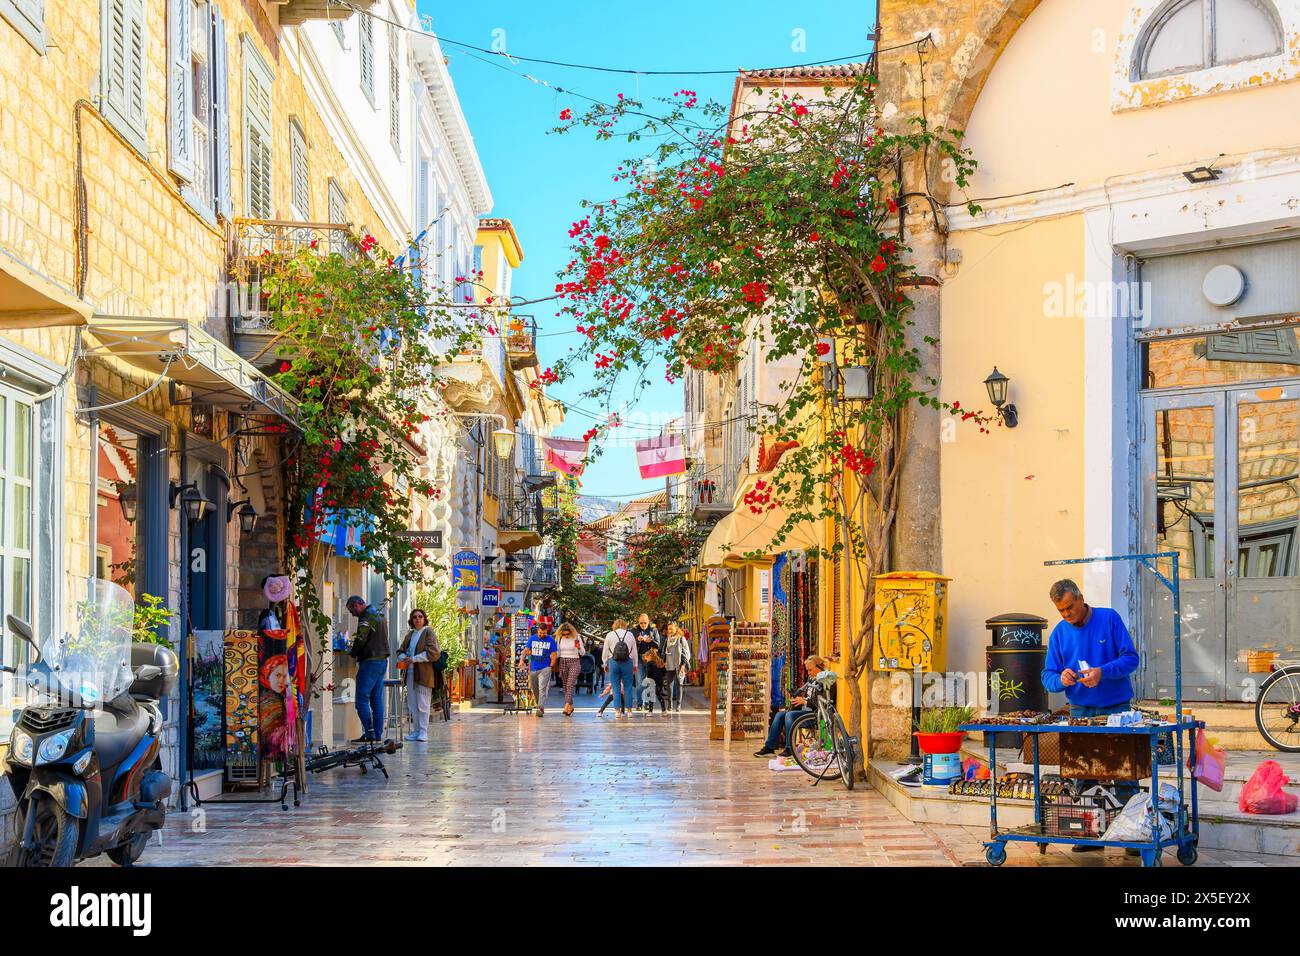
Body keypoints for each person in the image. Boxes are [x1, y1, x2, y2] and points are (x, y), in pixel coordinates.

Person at [1041, 578, 1141, 854]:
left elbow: (1131, 658)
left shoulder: (1109, 619)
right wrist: (1061, 679)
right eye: (1061, 611)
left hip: (1116, 709)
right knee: (1083, 774)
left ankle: (1131, 835)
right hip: (1080, 712)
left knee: (1123, 772)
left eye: (1070, 608)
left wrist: (1103, 672)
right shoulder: (1059, 633)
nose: (1066, 615)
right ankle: (1088, 834)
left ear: (1081, 598)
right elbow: (1047, 678)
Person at [754, 655, 831, 757]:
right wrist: (798, 699)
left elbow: (823, 703)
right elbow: (808, 696)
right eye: (807, 670)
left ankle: (790, 748)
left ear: (819, 667)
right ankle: (770, 747)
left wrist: (804, 702)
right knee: (780, 715)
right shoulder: (812, 679)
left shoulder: (826, 680)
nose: (808, 673)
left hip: (817, 715)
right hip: (807, 711)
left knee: (790, 715)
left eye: (810, 670)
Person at [346, 596, 390, 743]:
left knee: (361, 700)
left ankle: (369, 733)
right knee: (376, 700)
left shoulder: (366, 616)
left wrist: (353, 652)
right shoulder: (377, 613)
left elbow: (361, 637)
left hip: (370, 662)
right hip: (381, 661)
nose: (352, 614)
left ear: (358, 604)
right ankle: (377, 735)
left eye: (352, 610)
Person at [396, 608, 439, 742]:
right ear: (411, 619)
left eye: (420, 616)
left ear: (424, 619)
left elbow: (434, 653)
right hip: (409, 673)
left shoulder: (428, 632)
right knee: (412, 704)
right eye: (415, 617)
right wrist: (404, 657)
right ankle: (416, 731)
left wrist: (414, 659)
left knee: (423, 704)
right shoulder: (410, 634)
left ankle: (423, 732)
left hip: (424, 675)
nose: (417, 619)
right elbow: (400, 651)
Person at [601, 617, 638, 718]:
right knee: (628, 687)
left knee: (616, 687)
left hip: (613, 662)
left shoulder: (610, 635)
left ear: (615, 626)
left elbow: (605, 651)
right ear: (625, 625)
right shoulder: (630, 635)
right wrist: (635, 664)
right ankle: (629, 710)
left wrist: (605, 664)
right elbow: (634, 652)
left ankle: (617, 711)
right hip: (628, 663)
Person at [632, 613, 668, 712]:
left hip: (650, 660)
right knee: (639, 682)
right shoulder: (635, 630)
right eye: (641, 623)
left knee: (649, 682)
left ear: (648, 621)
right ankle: (639, 703)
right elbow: (630, 644)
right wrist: (637, 640)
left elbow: (658, 645)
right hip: (639, 658)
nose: (643, 625)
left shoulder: (653, 630)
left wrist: (650, 640)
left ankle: (647, 703)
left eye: (645, 623)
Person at [527, 623, 558, 716]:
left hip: (545, 668)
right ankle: (539, 705)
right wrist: (521, 660)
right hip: (533, 668)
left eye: (544, 633)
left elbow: (554, 654)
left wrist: (551, 666)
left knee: (542, 688)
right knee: (535, 689)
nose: (542, 635)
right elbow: (526, 650)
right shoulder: (532, 638)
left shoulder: (550, 640)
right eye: (540, 633)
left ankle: (540, 708)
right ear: (538, 631)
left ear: (547, 631)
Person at [554, 622, 585, 716]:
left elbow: (583, 653)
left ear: (571, 632)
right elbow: (558, 653)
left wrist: (579, 647)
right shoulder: (559, 638)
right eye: (564, 634)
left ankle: (566, 705)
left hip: (575, 662)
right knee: (565, 686)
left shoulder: (576, 637)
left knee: (570, 685)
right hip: (563, 662)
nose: (566, 636)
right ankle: (570, 707)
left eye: (567, 634)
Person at [663, 623, 692, 712]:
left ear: (676, 629)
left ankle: (678, 705)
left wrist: (683, 665)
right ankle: (670, 705)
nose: (670, 631)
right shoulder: (667, 639)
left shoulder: (681, 639)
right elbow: (664, 651)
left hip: (679, 665)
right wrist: (664, 661)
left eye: (671, 629)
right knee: (669, 685)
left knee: (679, 684)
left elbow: (686, 653)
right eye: (668, 629)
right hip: (669, 665)